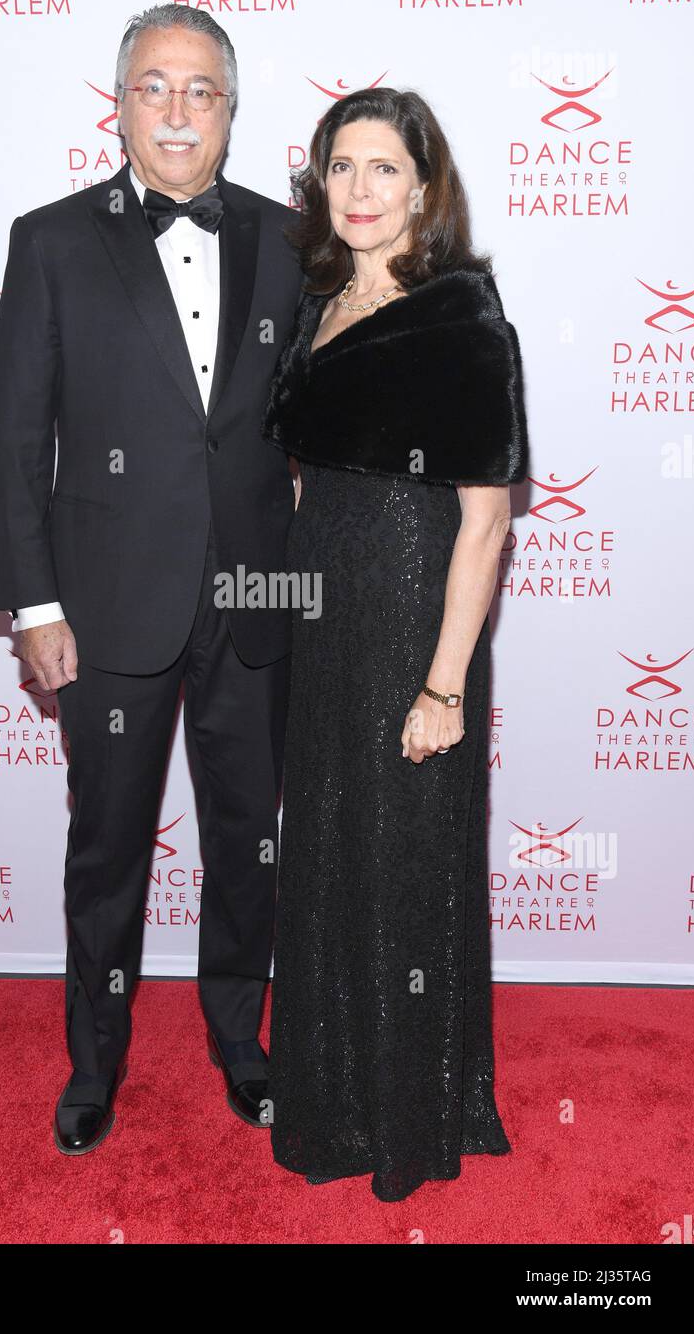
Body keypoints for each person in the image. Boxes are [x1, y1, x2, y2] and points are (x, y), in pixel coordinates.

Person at [0, 3, 302, 1156]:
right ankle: (95, 1065)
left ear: (230, 108)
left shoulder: (286, 239)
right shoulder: (54, 239)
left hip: (260, 604)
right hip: (109, 604)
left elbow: (315, 423)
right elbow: (17, 437)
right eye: (154, 87)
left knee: (246, 845)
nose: (177, 110)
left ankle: (243, 1045)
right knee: (106, 851)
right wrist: (35, 604)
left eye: (200, 89)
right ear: (119, 105)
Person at [261, 86, 529, 1202]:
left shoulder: (461, 315)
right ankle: (332, 1099)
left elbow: (485, 518)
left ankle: (407, 1118)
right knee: (328, 849)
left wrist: (443, 684)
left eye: (383, 168)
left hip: (415, 619)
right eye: (341, 168)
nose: (360, 191)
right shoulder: (318, 298)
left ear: (423, 185)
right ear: (320, 184)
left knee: (400, 861)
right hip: (326, 623)